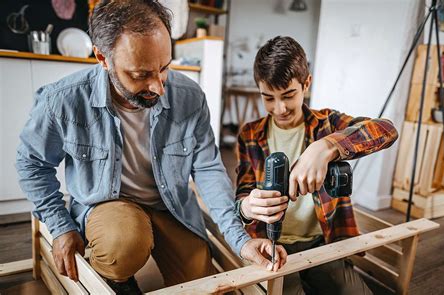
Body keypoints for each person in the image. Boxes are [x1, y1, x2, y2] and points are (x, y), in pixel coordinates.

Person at [15, 1, 286, 293]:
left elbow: (208, 168)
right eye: (140, 74)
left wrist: (241, 240)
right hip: (109, 205)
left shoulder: (190, 96)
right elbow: (31, 164)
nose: (158, 86)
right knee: (123, 245)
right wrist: (62, 227)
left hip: (171, 206)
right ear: (103, 59)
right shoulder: (63, 101)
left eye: (164, 68)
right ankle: (118, 278)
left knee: (200, 281)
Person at [234, 36, 399, 294]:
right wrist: (248, 206)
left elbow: (386, 130)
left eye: (288, 95)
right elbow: (241, 197)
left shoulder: (327, 124)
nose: (279, 109)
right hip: (270, 244)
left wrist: (327, 147)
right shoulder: (249, 134)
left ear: (306, 84)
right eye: (268, 98)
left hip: (322, 242)